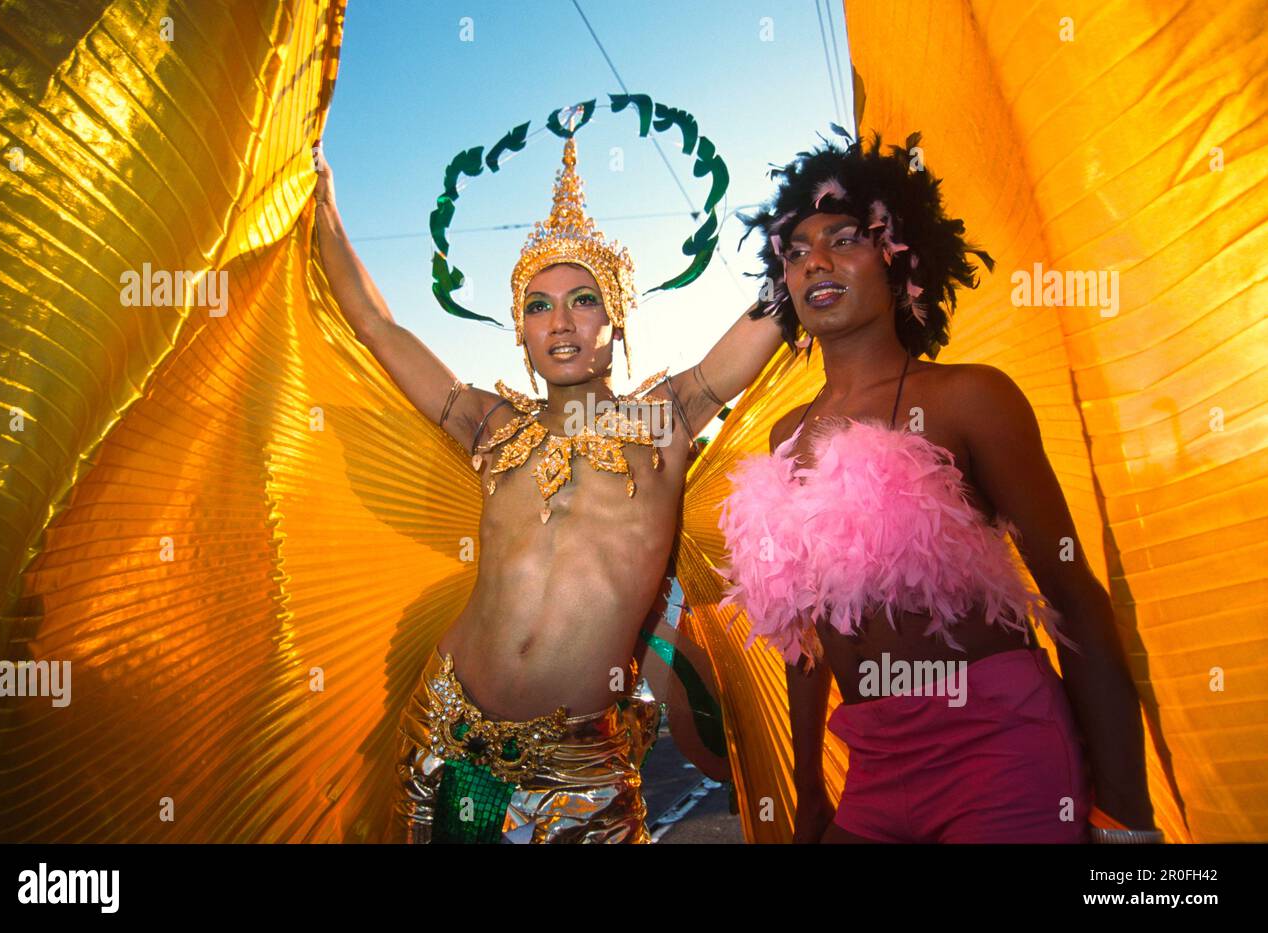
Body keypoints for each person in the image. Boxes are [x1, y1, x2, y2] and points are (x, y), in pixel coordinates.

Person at [311, 133, 783, 842]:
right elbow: (377, 324)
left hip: (579, 774)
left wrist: (815, 242)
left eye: (583, 300)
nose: (560, 322)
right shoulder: (488, 423)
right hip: (444, 740)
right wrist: (324, 204)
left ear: (615, 318)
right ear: (520, 331)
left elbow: (773, 317)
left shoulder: (663, 421)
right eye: (538, 305)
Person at [718, 127, 1159, 843]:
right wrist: (805, 794)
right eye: (795, 251)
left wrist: (1126, 818)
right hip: (874, 763)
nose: (815, 261)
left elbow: (1073, 593)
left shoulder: (970, 398)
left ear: (902, 260)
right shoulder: (784, 437)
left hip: (999, 749)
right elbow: (804, 643)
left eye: (846, 237)